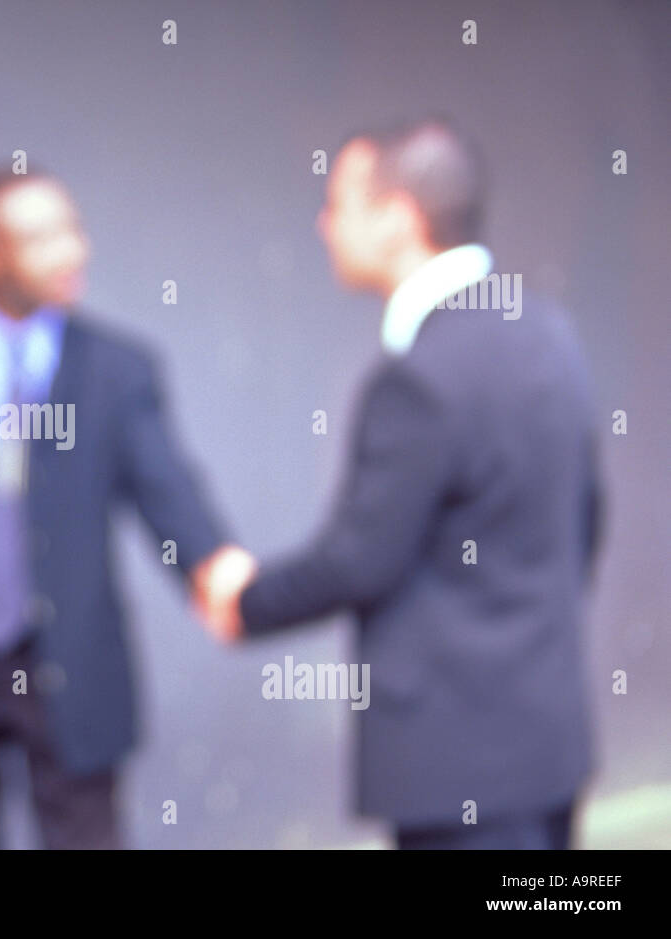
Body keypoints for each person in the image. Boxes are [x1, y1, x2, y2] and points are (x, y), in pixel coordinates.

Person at [212, 119, 603, 849]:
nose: (325, 226)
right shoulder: (549, 333)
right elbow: (582, 526)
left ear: (397, 219)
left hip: (459, 774)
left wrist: (246, 601)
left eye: (339, 204)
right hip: (548, 751)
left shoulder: (419, 376)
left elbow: (361, 557)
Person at [0, 166, 244, 849]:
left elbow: (166, 487)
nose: (71, 252)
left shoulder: (116, 367)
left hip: (71, 660)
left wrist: (215, 567)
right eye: (40, 238)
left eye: (72, 229)